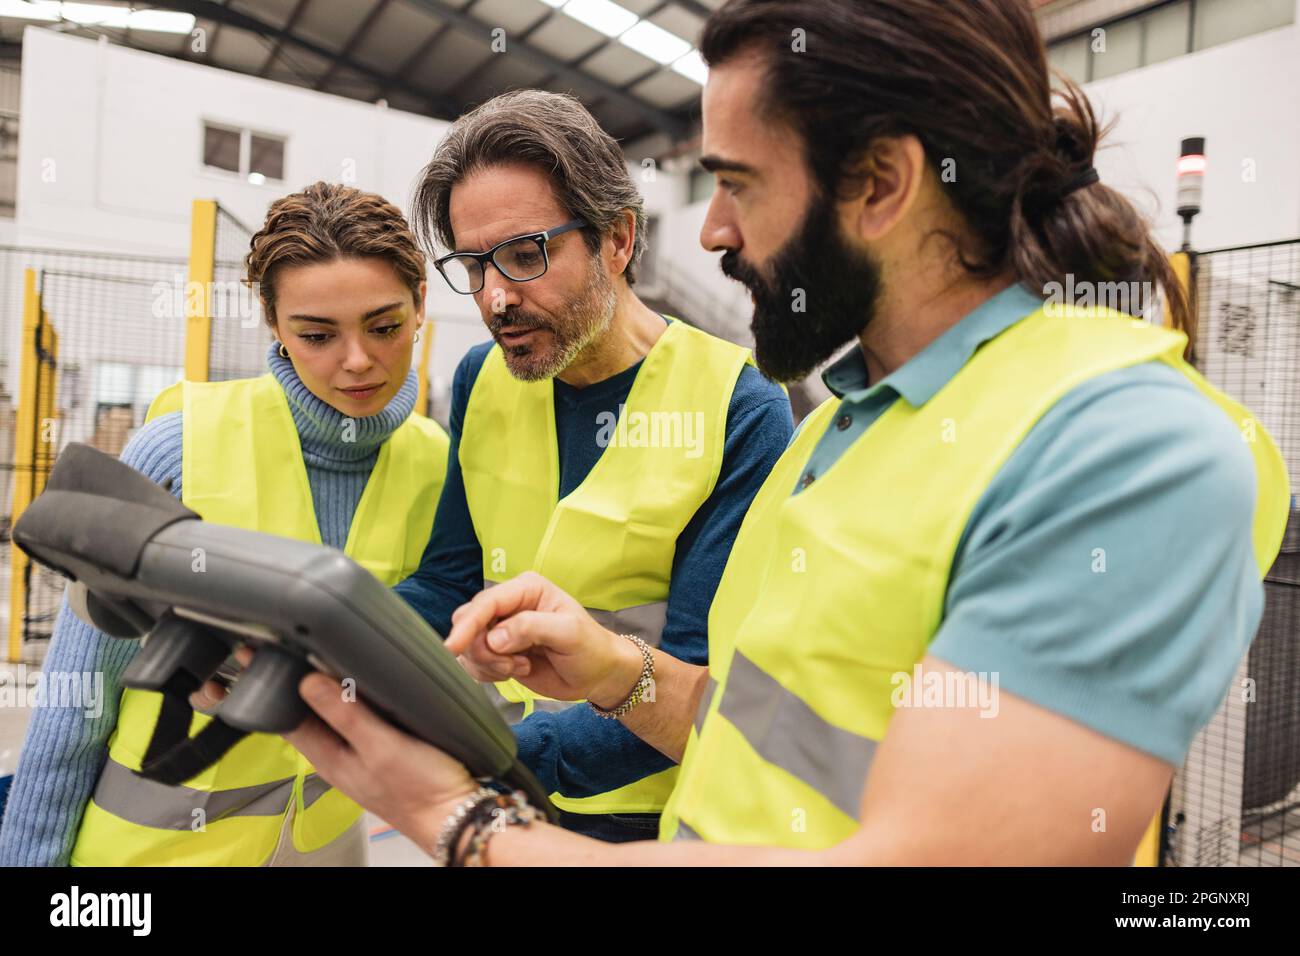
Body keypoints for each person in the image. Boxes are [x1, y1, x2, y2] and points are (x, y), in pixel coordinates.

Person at [270, 0, 1290, 866]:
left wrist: (464, 820)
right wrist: (619, 670)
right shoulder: (838, 430)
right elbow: (761, 735)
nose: (711, 231)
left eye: (738, 182)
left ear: (881, 184)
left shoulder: (1124, 450)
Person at [0, 183, 449, 867]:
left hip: (326, 846)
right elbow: (76, 697)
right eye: (317, 335)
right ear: (272, 320)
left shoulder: (442, 469)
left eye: (384, 327)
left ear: (421, 307)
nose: (356, 360)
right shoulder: (177, 450)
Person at [387, 90, 793, 841]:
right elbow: (448, 582)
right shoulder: (482, 379)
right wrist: (339, 649)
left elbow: (706, 676)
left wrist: (492, 758)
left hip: (654, 822)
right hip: (514, 802)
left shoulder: (739, 407)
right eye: (472, 266)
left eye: (523, 254)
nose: (496, 297)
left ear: (616, 240)